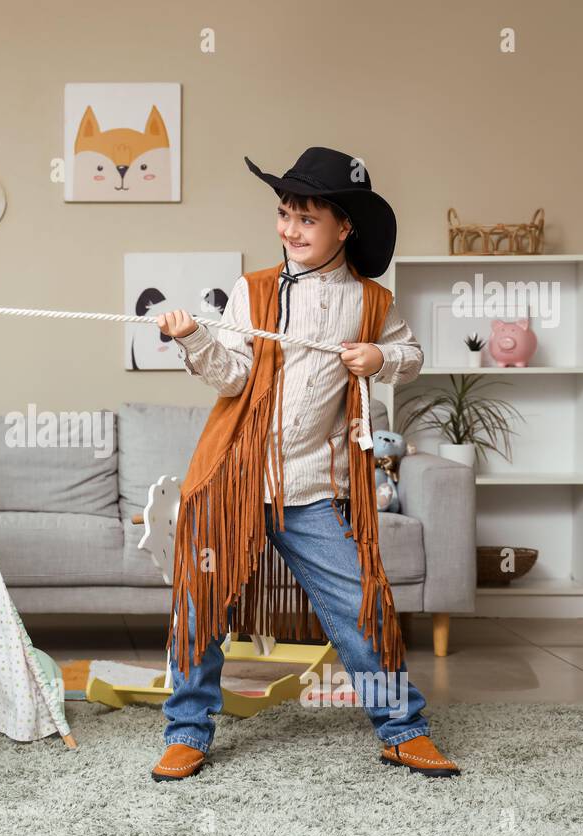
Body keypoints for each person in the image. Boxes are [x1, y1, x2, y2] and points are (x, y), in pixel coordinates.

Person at [151, 146, 461, 781]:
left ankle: (402, 729)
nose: (289, 229)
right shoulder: (253, 291)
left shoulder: (373, 302)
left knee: (360, 606)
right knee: (200, 607)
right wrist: (193, 339)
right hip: (234, 482)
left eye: (305, 219)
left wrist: (379, 359)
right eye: (283, 214)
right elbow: (233, 376)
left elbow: (412, 355)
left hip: (314, 490)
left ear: (344, 227)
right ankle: (187, 730)